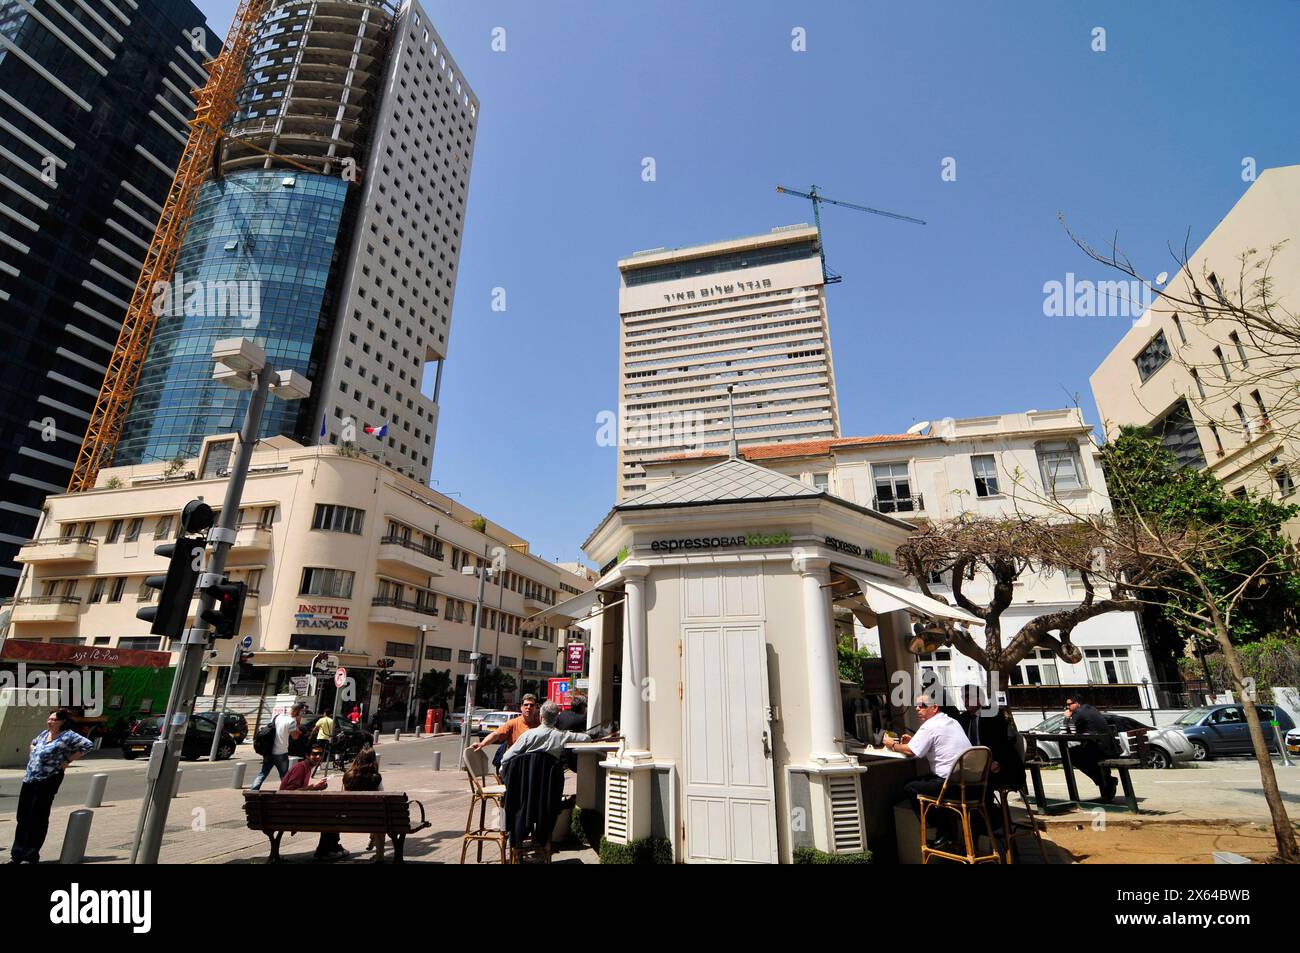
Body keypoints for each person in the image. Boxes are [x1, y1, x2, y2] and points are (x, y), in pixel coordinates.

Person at [886, 693, 973, 848]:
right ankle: (945, 831)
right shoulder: (952, 722)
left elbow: (910, 752)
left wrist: (892, 744)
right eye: (917, 706)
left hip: (949, 785)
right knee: (928, 782)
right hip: (969, 784)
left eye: (923, 706)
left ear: (934, 708)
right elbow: (937, 744)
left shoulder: (929, 725)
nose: (918, 709)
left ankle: (941, 832)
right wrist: (914, 742)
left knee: (910, 786)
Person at [9, 710, 94, 864]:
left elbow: (87, 745)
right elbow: (33, 743)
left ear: (62, 721)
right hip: (30, 778)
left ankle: (30, 855)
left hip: (48, 779)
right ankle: (17, 854)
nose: (49, 722)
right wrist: (33, 753)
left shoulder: (68, 736)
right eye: (49, 719)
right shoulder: (43, 734)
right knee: (23, 817)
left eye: (53, 719)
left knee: (37, 817)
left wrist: (67, 761)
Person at [280, 743, 346, 860]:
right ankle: (324, 851)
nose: (318, 757)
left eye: (320, 754)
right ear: (307, 755)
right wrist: (314, 787)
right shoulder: (300, 768)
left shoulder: (306, 767)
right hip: (289, 811)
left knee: (331, 812)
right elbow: (290, 791)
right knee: (330, 816)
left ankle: (332, 847)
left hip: (291, 809)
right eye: (314, 754)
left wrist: (317, 788)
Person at [499, 700, 591, 772]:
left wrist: (507, 777)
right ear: (556, 719)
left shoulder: (527, 735)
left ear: (541, 717)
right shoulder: (563, 735)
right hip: (550, 786)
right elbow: (586, 738)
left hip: (527, 785)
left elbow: (505, 758)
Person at [1064, 694, 1119, 802]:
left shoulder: (1078, 712)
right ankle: (1106, 783)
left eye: (1069, 704)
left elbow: (1067, 728)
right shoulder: (1091, 709)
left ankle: (1104, 781)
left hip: (1099, 749)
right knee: (1081, 753)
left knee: (1069, 754)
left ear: (1077, 703)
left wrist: (1066, 717)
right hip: (1108, 748)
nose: (1067, 707)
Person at [471, 694, 540, 770]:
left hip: (532, 765)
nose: (528, 707)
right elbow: (496, 734)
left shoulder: (540, 724)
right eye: (526, 705)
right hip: (515, 764)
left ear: (535, 708)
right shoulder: (512, 723)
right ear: (521, 707)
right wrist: (482, 744)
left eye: (531, 705)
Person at [343, 745, 385, 861]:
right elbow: (382, 796)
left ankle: (373, 836)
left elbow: (342, 796)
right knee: (380, 818)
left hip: (349, 818)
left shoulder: (347, 776)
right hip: (371, 818)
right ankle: (379, 856)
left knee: (373, 815)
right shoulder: (376, 777)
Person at [250, 704, 304, 791]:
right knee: (284, 776)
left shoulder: (278, 716)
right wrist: (298, 723)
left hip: (269, 750)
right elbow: (295, 737)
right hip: (281, 752)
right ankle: (284, 792)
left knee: (262, 773)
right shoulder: (291, 722)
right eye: (301, 712)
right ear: (297, 712)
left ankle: (253, 791)